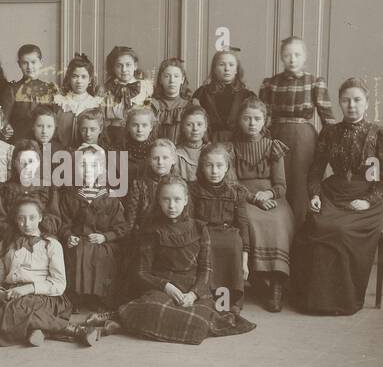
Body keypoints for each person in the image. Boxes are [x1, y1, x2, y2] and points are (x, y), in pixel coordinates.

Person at [107, 178, 256, 345]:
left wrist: (193, 294)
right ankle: (127, 321)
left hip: (193, 288)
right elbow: (141, 272)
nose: (171, 206)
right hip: (162, 288)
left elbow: (206, 269)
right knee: (152, 307)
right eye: (166, 199)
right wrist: (167, 287)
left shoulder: (199, 228)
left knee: (198, 322)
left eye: (177, 199)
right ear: (159, 201)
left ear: (185, 200)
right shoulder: (151, 230)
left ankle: (123, 325)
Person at [292, 78, 383, 315]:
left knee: (339, 230)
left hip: (366, 198)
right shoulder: (330, 132)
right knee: (316, 224)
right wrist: (315, 194)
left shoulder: (377, 134)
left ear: (366, 103)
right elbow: (316, 170)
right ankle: (313, 299)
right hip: (333, 193)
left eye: (357, 100)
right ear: (339, 103)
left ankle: (342, 300)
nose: (352, 105)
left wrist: (367, 200)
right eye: (346, 100)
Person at [0, 198, 97, 347]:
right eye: (21, 218)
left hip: (43, 297)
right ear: (16, 220)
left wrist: (28, 288)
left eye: (32, 218)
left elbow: (59, 284)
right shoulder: (6, 244)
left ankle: (74, 330)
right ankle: (36, 329)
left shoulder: (52, 245)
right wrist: (0, 293)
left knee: (17, 310)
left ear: (40, 218)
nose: (26, 223)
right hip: (11, 296)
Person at [259, 36, 336, 228]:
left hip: (304, 143)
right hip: (276, 139)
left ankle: (303, 239)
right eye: (287, 55)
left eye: (297, 55)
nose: (292, 59)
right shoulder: (271, 83)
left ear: (305, 57)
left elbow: (328, 118)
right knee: (280, 183)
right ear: (281, 58)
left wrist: (334, 142)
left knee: (302, 188)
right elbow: (262, 117)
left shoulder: (314, 83)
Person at [231, 97, 292, 311]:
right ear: (239, 120)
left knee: (278, 221)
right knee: (248, 218)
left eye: (257, 118)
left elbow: (282, 185)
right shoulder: (232, 148)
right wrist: (253, 198)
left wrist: (268, 194)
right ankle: (256, 279)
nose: (252, 123)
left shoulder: (273, 147)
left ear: (265, 121)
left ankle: (276, 283)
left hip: (271, 197)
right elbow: (232, 183)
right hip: (243, 196)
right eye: (247, 118)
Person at [58, 145, 128, 308]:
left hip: (102, 242)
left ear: (102, 169)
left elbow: (121, 227)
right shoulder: (69, 195)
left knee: (102, 255)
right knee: (76, 252)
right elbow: (64, 222)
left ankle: (98, 298)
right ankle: (77, 297)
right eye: (83, 165)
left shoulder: (110, 197)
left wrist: (105, 237)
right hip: (79, 240)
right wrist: (68, 236)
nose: (88, 170)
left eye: (94, 166)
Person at [189, 143, 251, 312]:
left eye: (219, 166)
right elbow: (189, 220)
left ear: (227, 167)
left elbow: (243, 225)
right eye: (209, 166)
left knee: (233, 243)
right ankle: (208, 297)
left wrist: (244, 262)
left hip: (227, 233)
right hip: (202, 233)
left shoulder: (236, 192)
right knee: (209, 246)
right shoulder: (193, 190)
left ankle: (231, 300)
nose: (214, 171)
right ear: (201, 167)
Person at [194, 48, 254, 144]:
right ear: (214, 69)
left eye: (231, 65)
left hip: (240, 144)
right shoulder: (202, 93)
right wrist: (206, 140)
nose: (227, 69)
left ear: (236, 70)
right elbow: (194, 119)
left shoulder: (247, 95)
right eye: (222, 65)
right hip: (208, 143)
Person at [100, 45, 151, 149]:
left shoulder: (146, 87)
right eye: (119, 66)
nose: (124, 69)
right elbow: (102, 117)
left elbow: (148, 115)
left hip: (138, 134)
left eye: (128, 65)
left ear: (135, 66)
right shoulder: (106, 89)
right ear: (113, 68)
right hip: (113, 134)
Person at [9, 44, 62, 141]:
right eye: (25, 63)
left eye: (33, 62)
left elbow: (56, 119)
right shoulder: (13, 89)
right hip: (21, 141)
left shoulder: (50, 89)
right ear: (19, 64)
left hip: (45, 141)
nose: (29, 67)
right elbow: (4, 119)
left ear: (40, 63)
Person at [56, 53, 100, 148]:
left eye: (83, 77)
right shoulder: (60, 102)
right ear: (69, 78)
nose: (79, 81)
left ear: (90, 80)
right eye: (75, 76)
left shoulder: (95, 104)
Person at [149, 58, 193, 144]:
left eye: (176, 76)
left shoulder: (190, 105)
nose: (172, 81)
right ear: (161, 80)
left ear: (182, 79)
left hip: (182, 152)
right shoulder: (153, 105)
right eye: (167, 76)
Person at [173, 104, 209, 183]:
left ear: (205, 127)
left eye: (199, 124)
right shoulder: (176, 154)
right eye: (189, 125)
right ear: (182, 127)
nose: (195, 129)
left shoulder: (212, 151)